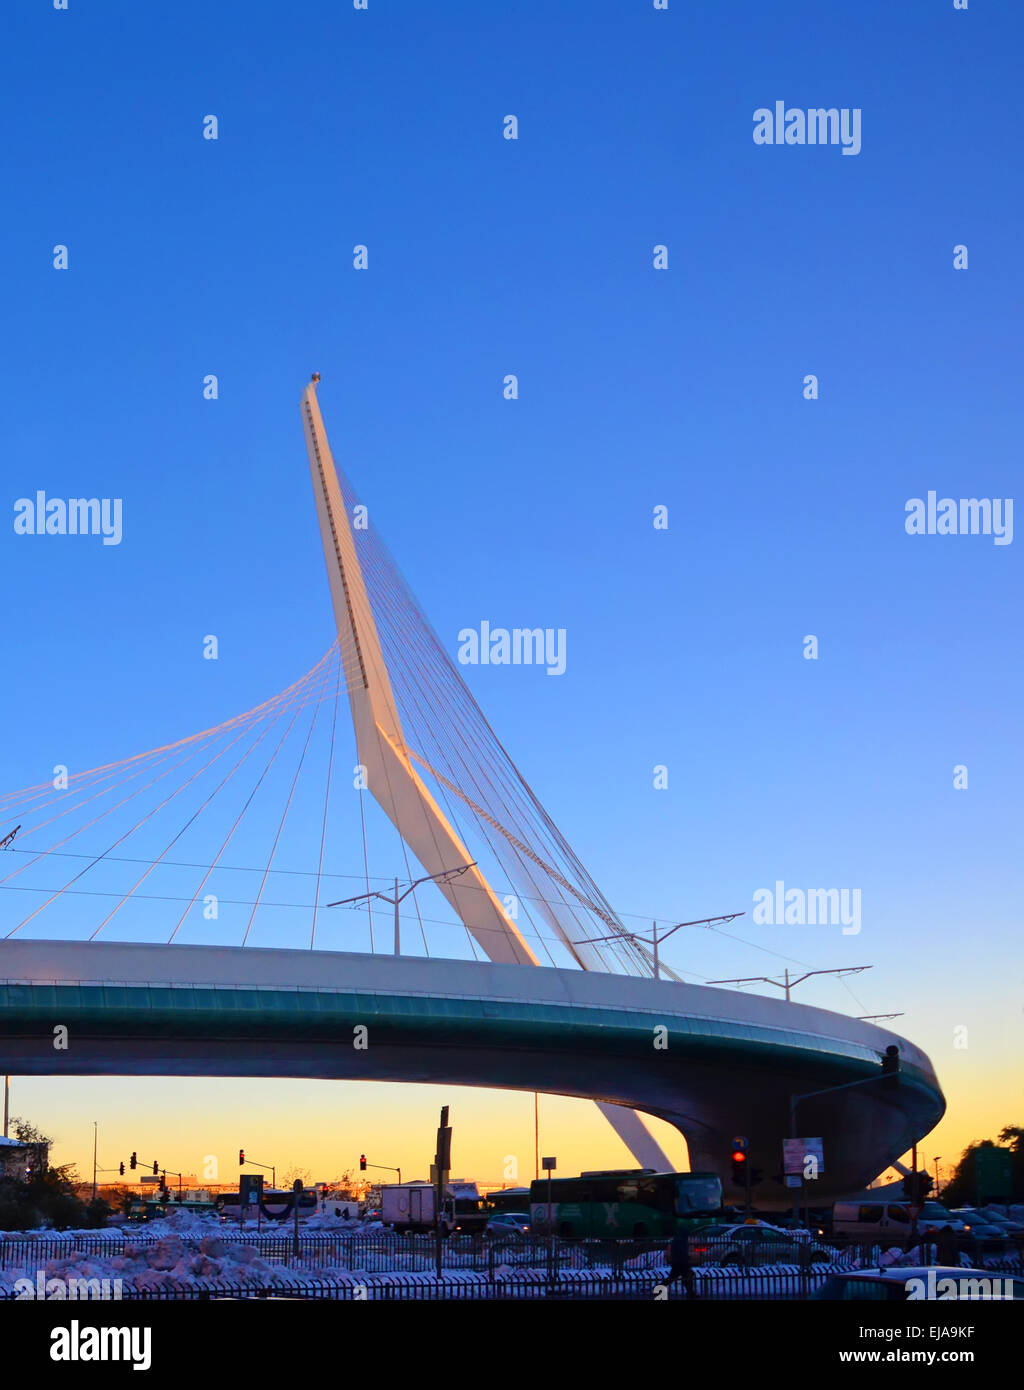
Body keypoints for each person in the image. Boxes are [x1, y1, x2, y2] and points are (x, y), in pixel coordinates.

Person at [666, 1228, 697, 1298]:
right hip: (681, 1262)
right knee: (687, 1276)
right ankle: (690, 1293)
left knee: (673, 1278)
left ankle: (690, 1293)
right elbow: (681, 1252)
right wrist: (686, 1258)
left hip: (678, 1262)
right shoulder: (681, 1241)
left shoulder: (678, 1240)